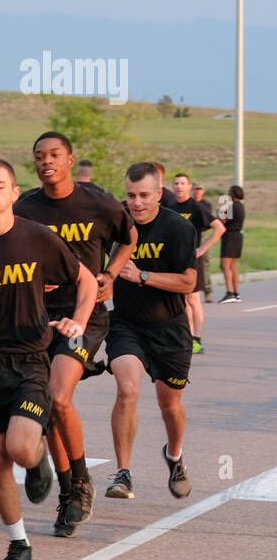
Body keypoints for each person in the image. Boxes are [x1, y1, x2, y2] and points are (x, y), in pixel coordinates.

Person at [0, 159, 96, 560]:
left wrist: (79, 322)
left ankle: (36, 458)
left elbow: (86, 280)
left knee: (17, 446)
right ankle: (19, 544)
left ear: (15, 193)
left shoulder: (38, 238)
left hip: (29, 359)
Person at [15, 133, 135, 537]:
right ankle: (67, 491)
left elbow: (128, 238)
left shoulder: (99, 203)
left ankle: (81, 482)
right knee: (45, 406)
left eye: (54, 155)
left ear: (69, 160)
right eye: (39, 157)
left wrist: (111, 273)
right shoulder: (26, 208)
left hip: (85, 315)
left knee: (58, 394)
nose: (46, 161)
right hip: (37, 316)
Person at [105, 163, 197, 501]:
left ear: (159, 193)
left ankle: (174, 456)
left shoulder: (177, 228)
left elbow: (188, 281)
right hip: (126, 325)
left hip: (170, 328)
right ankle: (123, 473)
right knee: (127, 388)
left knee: (170, 406)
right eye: (131, 196)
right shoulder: (117, 226)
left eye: (144, 195)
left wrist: (142, 276)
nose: (137, 203)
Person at [163, 173, 223, 353]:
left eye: (182, 183)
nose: (179, 186)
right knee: (182, 301)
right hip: (174, 261)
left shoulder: (196, 207)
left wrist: (203, 248)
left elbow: (220, 228)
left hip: (192, 259)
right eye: (176, 183)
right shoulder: (170, 207)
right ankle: (186, 338)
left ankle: (197, 339)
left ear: (189, 186)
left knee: (193, 299)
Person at [218, 185, 245, 302]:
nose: (228, 192)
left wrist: (219, 212)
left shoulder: (232, 206)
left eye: (229, 191)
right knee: (232, 266)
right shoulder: (241, 206)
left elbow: (221, 219)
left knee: (225, 265)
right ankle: (236, 292)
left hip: (230, 236)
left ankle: (229, 292)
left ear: (233, 193)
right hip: (238, 236)